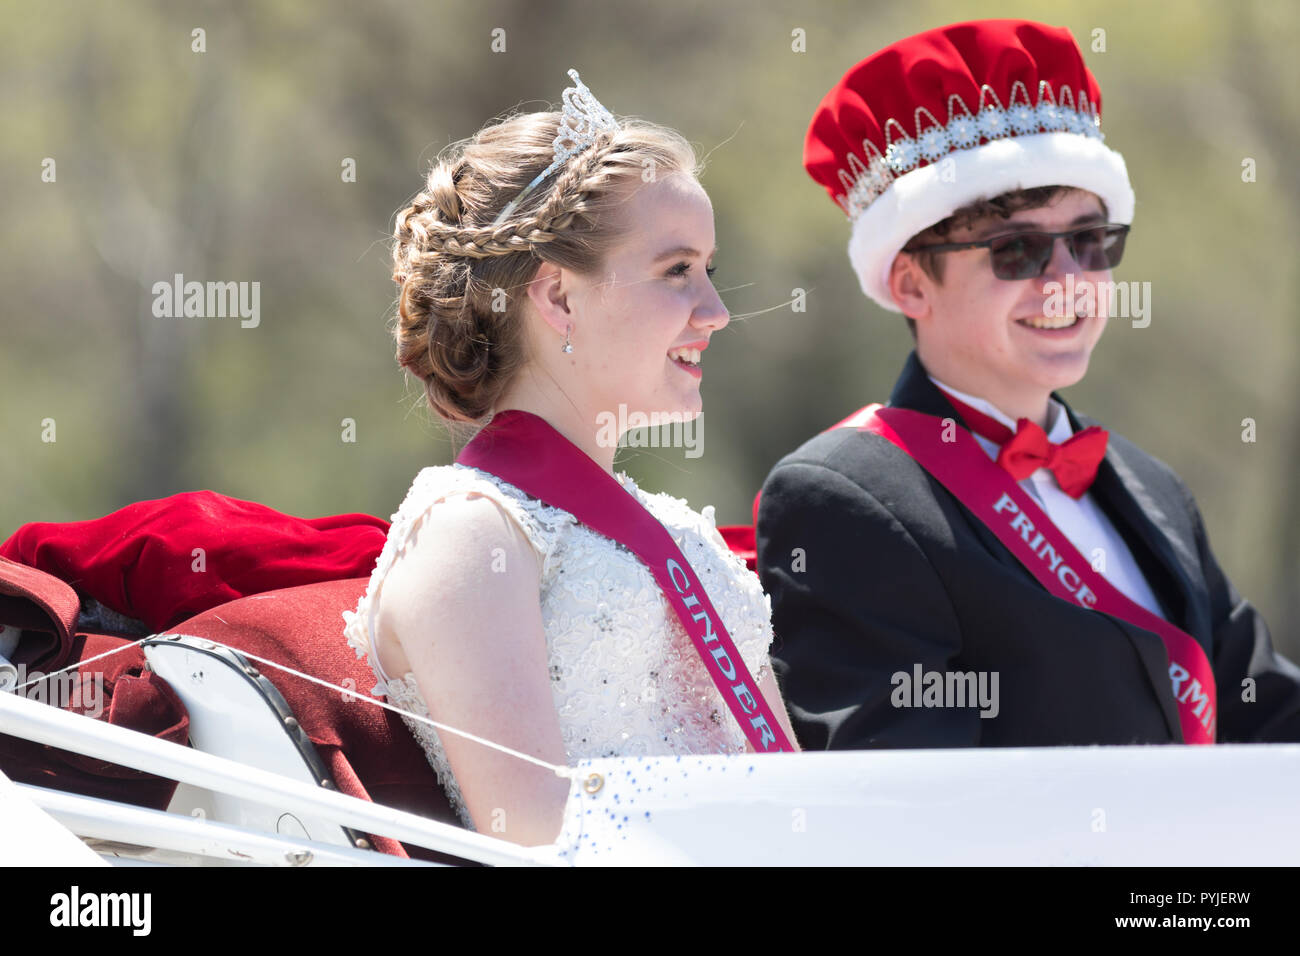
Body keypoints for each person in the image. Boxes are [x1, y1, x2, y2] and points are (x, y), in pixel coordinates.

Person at [757, 19, 1300, 750]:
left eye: (1089, 238)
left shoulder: (1150, 486)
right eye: (1017, 250)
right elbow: (900, 804)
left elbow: (1263, 714)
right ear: (910, 281)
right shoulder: (842, 496)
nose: (1070, 281)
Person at [342, 70, 799, 849]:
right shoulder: (473, 536)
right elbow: (546, 843)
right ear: (557, 298)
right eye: (676, 270)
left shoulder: (677, 530)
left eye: (708, 271)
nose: (717, 313)